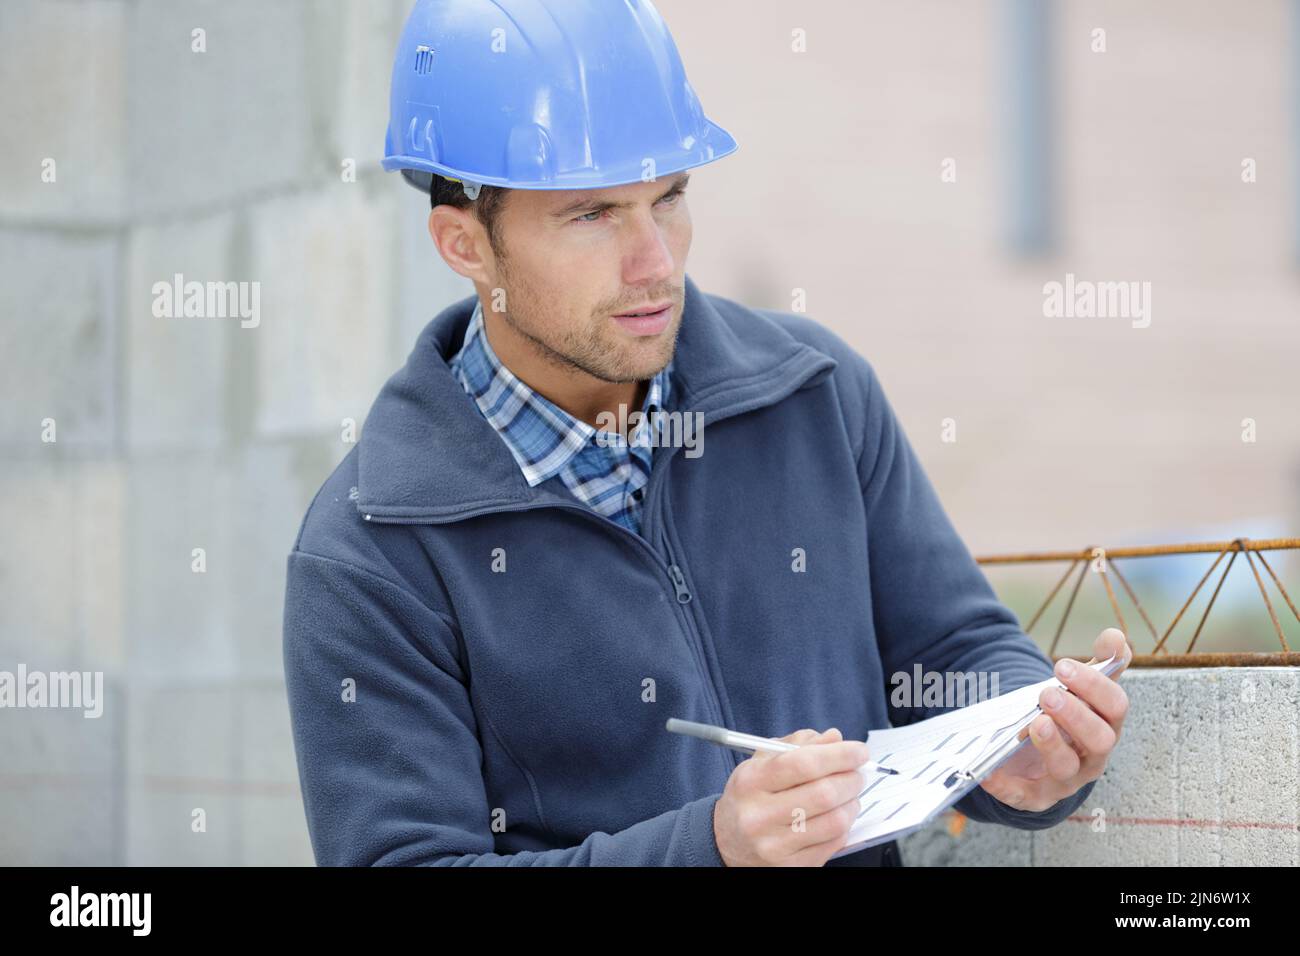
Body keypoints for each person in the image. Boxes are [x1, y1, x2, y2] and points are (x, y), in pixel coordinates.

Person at [282, 0, 1130, 867]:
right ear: (464, 244)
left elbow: (952, 648)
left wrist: (1022, 746)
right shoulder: (370, 551)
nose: (655, 260)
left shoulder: (816, 395)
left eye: (670, 196)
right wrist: (711, 848)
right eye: (592, 214)